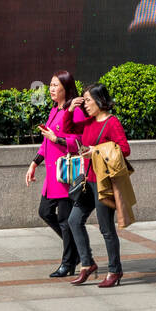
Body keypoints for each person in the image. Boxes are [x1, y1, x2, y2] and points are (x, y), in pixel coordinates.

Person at [66, 83, 131, 287]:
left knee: (106, 228)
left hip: (104, 182)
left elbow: (124, 149)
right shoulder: (89, 122)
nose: (85, 105)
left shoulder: (112, 123)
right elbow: (68, 130)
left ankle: (114, 271)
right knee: (74, 220)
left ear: (99, 101)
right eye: (83, 100)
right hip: (87, 181)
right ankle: (87, 264)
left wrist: (95, 150)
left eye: (87, 100)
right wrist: (70, 110)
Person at [24, 71, 83, 278]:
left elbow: (79, 142)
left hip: (66, 174)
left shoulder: (74, 111)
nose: (51, 89)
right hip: (52, 176)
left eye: (55, 85)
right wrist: (34, 163)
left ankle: (68, 263)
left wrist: (57, 139)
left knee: (66, 221)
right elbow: (45, 142)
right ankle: (76, 250)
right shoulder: (54, 110)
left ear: (66, 88)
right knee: (45, 212)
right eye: (50, 85)